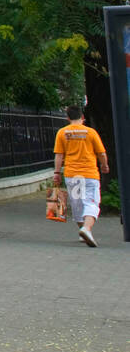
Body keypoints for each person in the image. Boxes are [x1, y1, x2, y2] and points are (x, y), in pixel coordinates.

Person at [54, 105, 110, 247]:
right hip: (89, 174)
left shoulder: (62, 133)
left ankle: (83, 231)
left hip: (72, 175)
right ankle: (87, 228)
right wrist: (104, 165)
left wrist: (56, 173)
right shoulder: (90, 132)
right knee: (92, 203)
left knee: (77, 205)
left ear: (67, 118)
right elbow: (101, 153)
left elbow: (59, 155)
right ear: (83, 117)